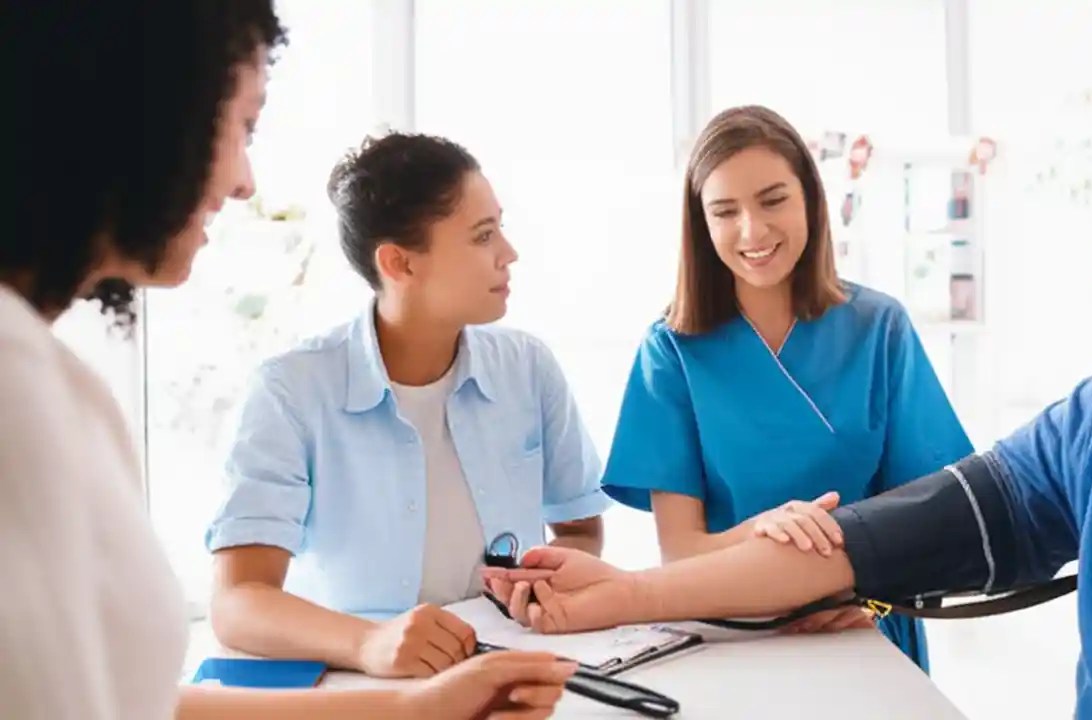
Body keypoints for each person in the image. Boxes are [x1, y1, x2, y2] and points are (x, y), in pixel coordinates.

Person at [485, 98, 1092, 719]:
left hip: (863, 631)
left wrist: (862, 592)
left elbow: (889, 541)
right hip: (747, 636)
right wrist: (621, 592)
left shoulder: (878, 326)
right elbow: (897, 534)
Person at [2, 3, 574, 718]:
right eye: (241, 126)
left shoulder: (58, 384)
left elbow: (134, 705)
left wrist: (415, 710)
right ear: (138, 114)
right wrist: (375, 654)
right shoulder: (20, 391)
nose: (244, 181)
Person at [205, 131, 611, 679]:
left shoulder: (528, 368)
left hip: (504, 668)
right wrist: (369, 644)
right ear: (399, 263)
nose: (508, 254)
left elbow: (579, 529)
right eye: (483, 235)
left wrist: (550, 585)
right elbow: (238, 601)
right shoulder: (291, 391)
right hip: (355, 684)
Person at [591, 105, 972, 666]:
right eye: (724, 211)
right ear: (702, 226)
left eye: (773, 200)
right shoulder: (671, 351)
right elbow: (682, 554)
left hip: (863, 631)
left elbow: (938, 522)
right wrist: (764, 531)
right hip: (730, 636)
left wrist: (878, 605)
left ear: (811, 202)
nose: (753, 231)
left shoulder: (879, 329)